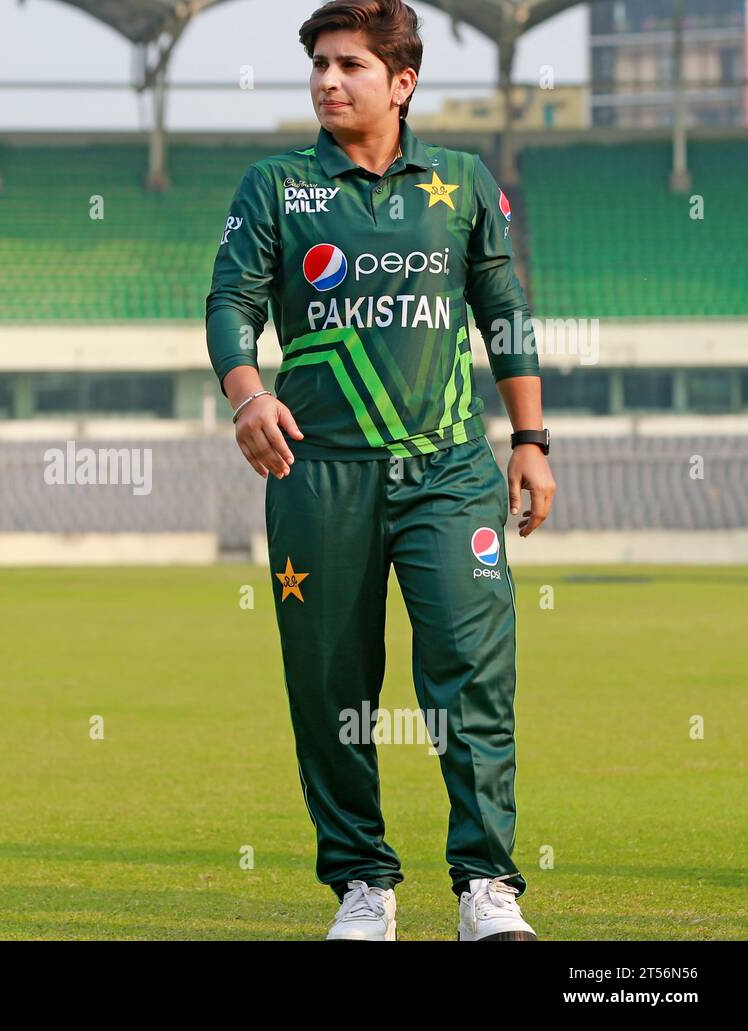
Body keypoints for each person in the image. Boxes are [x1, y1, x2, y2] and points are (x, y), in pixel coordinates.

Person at [205, 0, 556, 941]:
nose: (328, 79)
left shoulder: (462, 182)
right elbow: (229, 303)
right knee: (330, 683)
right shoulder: (275, 185)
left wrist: (530, 440)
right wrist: (247, 394)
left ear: (401, 81)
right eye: (319, 62)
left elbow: (506, 312)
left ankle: (487, 887)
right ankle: (364, 884)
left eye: (350, 64)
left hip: (448, 472)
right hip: (318, 475)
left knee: (470, 670)